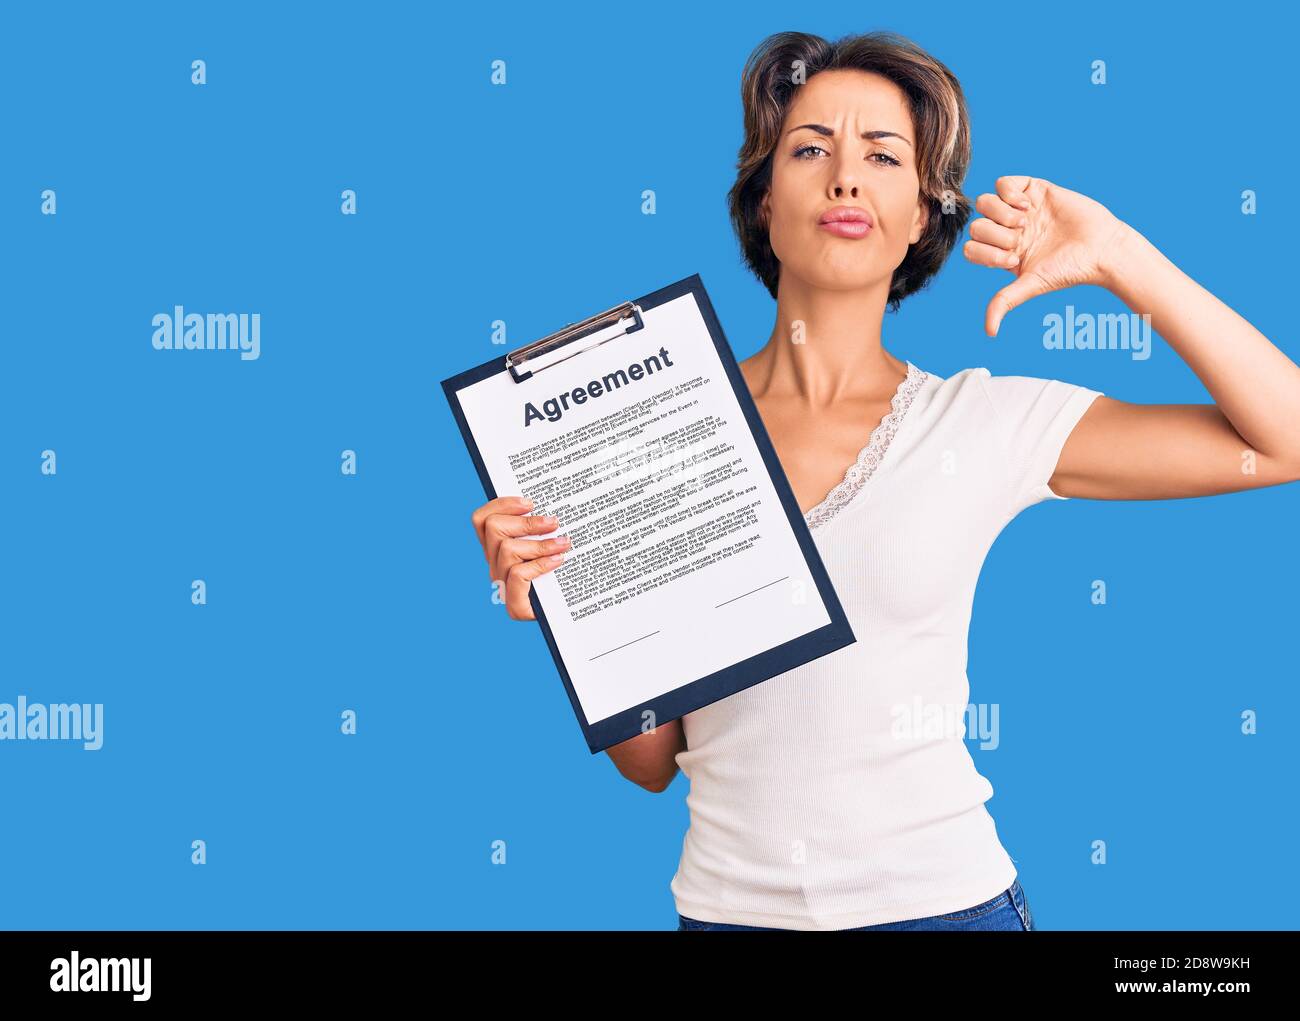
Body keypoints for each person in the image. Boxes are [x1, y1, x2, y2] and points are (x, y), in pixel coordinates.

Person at [467, 30, 1300, 931]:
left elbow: (1285, 441)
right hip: (726, 913)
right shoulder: (651, 433)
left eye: (883, 155)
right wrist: (572, 613)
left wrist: (1121, 257)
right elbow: (653, 762)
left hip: (943, 910)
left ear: (922, 216)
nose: (845, 178)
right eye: (810, 148)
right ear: (762, 201)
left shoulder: (980, 422)